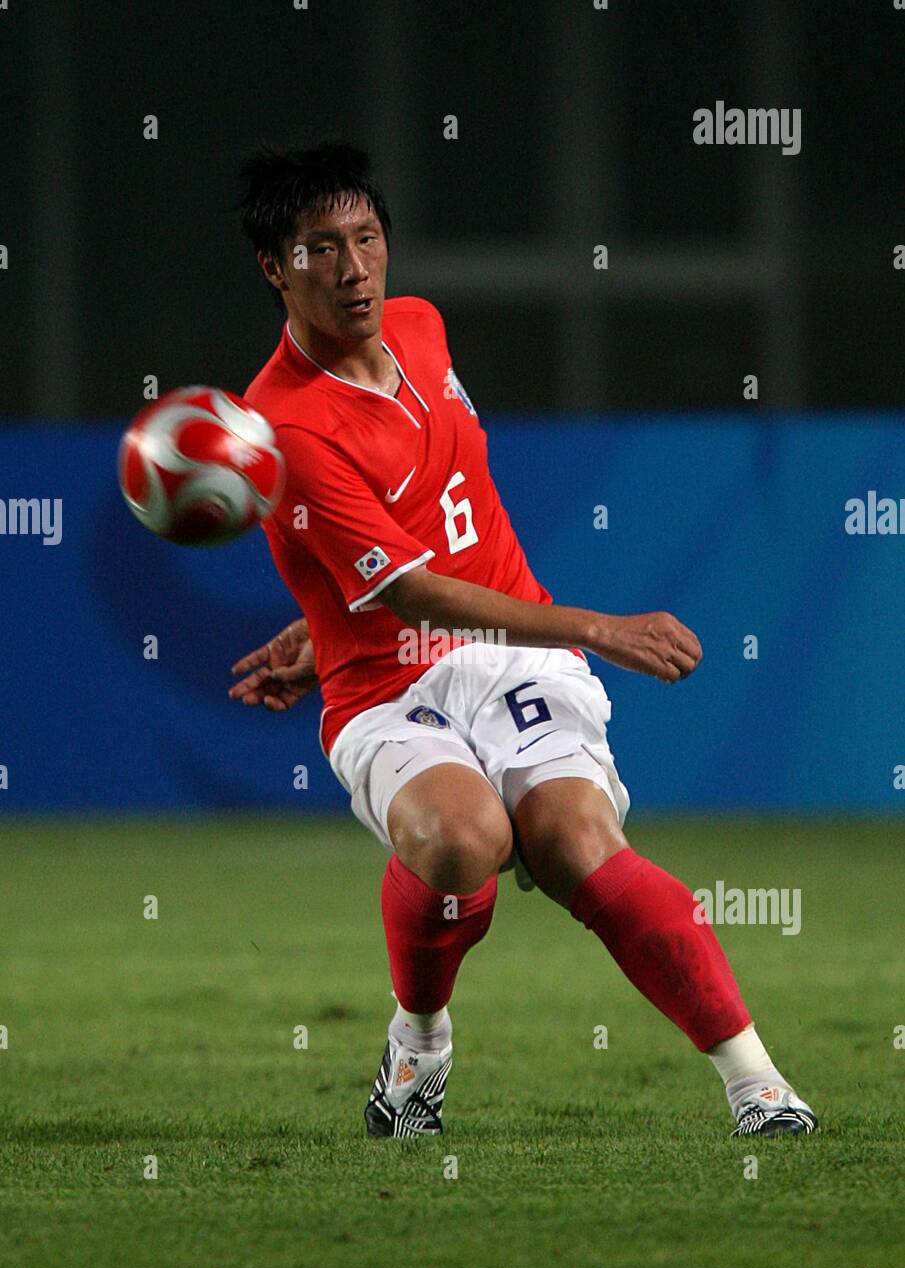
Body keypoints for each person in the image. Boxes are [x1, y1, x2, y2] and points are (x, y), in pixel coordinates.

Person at [231, 140, 816, 1141]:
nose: (354, 268)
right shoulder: (278, 424)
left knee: (572, 840)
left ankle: (757, 1086)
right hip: (385, 685)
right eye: (319, 248)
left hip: (511, 653)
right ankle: (418, 1046)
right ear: (274, 268)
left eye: (366, 238)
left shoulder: (420, 329)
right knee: (464, 839)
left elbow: (417, 516)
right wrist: (599, 625)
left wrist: (320, 604)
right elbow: (411, 591)